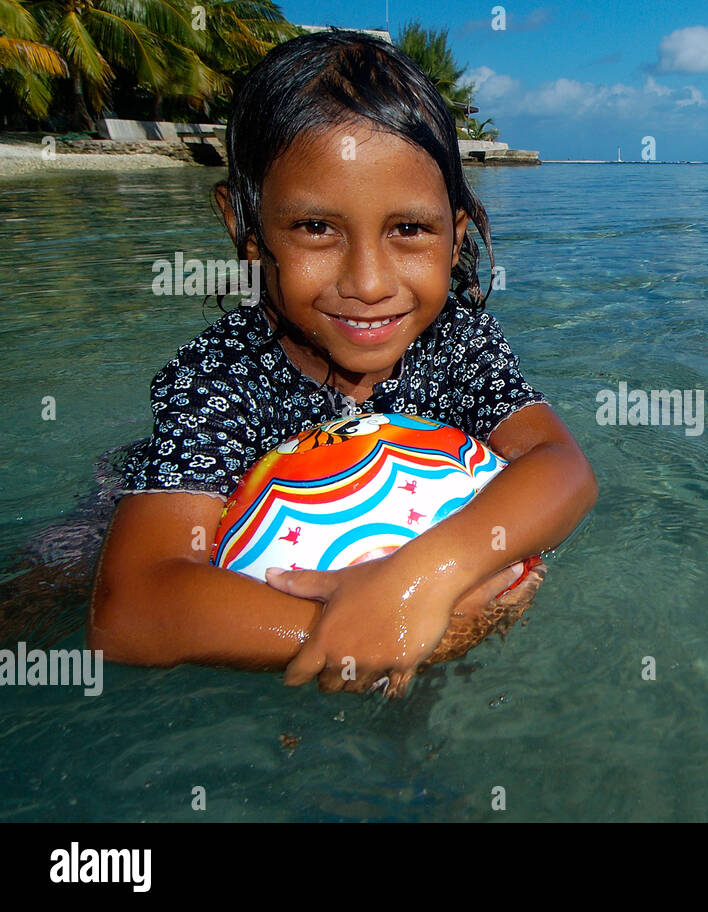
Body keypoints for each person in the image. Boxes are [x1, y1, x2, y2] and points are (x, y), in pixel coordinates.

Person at [88, 30, 598, 698]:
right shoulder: (223, 379)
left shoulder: (457, 343)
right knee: (40, 592)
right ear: (245, 228)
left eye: (408, 230)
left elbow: (562, 469)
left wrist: (429, 577)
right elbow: (131, 611)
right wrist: (383, 631)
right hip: (121, 511)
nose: (367, 281)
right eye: (315, 228)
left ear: (456, 238)